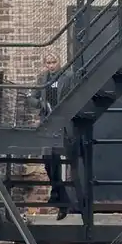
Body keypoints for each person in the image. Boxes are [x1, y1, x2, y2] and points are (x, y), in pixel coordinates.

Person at [29, 53, 73, 220]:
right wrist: (41, 104)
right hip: (47, 123)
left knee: (55, 160)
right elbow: (31, 98)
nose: (51, 65)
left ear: (59, 62)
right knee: (48, 162)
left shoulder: (67, 77)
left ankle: (59, 199)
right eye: (48, 62)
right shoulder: (42, 78)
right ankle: (60, 198)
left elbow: (72, 96)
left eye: (54, 62)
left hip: (61, 123)